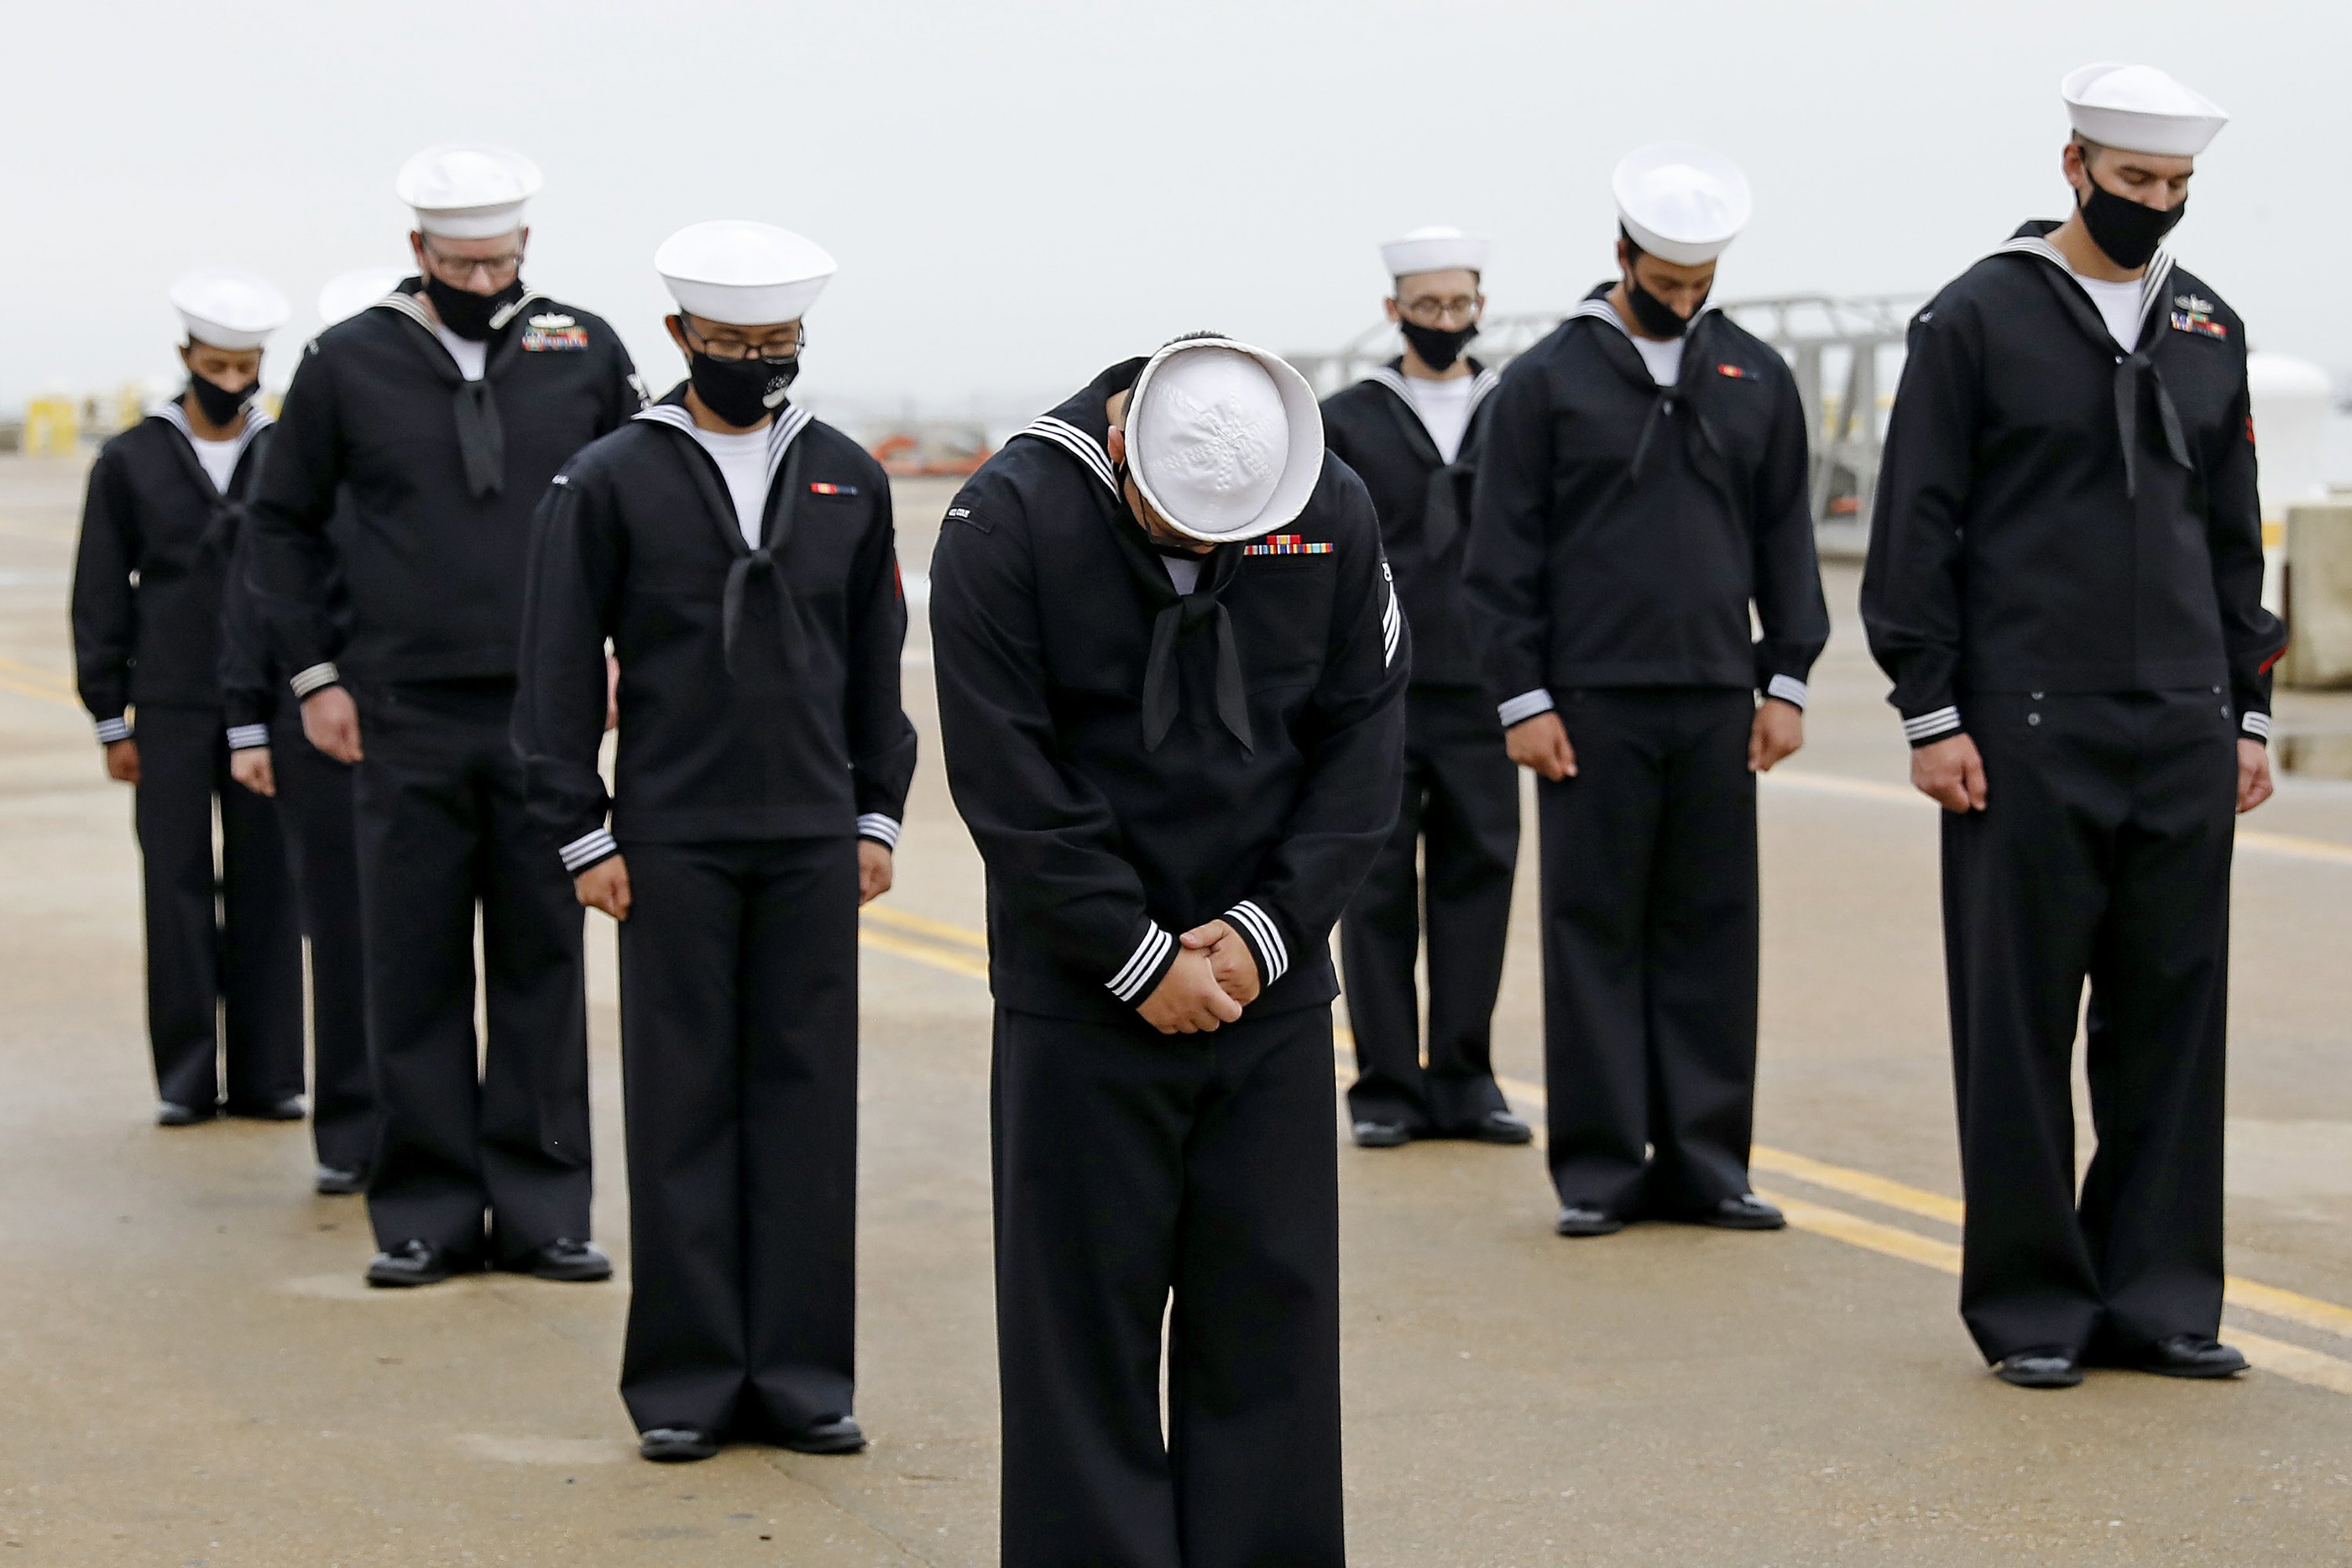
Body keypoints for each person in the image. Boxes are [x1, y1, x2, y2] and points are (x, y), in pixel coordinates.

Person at [931, 335, 1407, 1568]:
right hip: (1083, 990)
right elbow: (1008, 774)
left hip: (1271, 983)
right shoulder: (1007, 516)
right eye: (1171, 527)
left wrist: (1264, 937)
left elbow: (1362, 744)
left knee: (1272, 1318)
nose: (1197, 556)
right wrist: (1138, 957)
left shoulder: (1326, 502)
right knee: (1080, 1334)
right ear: (1127, 445)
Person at [1860, 64, 2282, 1390]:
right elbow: (1914, 527)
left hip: (2182, 727)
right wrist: (1932, 712)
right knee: (2020, 1022)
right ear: (2074, 168)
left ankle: (2158, 1298)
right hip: (2023, 728)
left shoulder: (2211, 329)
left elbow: (2231, 542)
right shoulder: (1976, 318)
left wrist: (2251, 710)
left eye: (2176, 188)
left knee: (2173, 1018)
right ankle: (2036, 1307)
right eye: (2135, 182)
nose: (2156, 205)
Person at [514, 220, 914, 1464]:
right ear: (681, 339)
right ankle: (685, 1384)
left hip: (809, 837)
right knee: (683, 1110)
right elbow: (557, 668)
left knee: (808, 1110)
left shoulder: (848, 471)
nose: (757, 361)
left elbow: (876, 659)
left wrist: (876, 810)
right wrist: (581, 832)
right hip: (671, 839)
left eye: (777, 342)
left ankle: (802, 1379)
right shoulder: (609, 478)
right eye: (733, 343)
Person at [245, 145, 644, 1287]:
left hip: (546, 711)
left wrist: (623, 652)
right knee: (409, 963)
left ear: (528, 248)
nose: (484, 279)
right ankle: (419, 1212)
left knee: (542, 962)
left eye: (502, 259)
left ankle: (545, 1209)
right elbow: (280, 525)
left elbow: (643, 508)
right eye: (461, 261)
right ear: (416, 252)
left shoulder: (583, 348)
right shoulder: (347, 361)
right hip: (400, 710)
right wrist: (315, 675)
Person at [1465, 143, 1828, 1239]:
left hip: (1718, 698)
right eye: (1665, 284)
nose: (1683, 303)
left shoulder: (1756, 376)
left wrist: (1788, 675)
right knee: (1595, 934)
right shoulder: (1544, 383)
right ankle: (1601, 1170)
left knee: (1714, 933)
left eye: (1700, 285)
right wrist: (1521, 698)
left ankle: (1711, 1163)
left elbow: (1785, 539)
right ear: (1621, 257)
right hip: (1590, 706)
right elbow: (1501, 554)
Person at [71, 269, 305, 1127]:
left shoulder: (284, 452)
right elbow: (100, 591)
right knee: (173, 886)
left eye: (247, 367)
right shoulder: (131, 457)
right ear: (185, 358)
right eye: (217, 364)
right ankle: (184, 1077)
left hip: (269, 707)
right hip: (167, 705)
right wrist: (109, 712)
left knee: (269, 886)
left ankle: (271, 1074)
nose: (232, 382)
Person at [1325, 226, 1530, 1149]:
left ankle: (1467, 1074)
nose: (1446, 320)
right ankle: (1384, 1082)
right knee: (1373, 887)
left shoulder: (1516, 404)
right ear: (1394, 310)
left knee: (1477, 880)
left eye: (1460, 304)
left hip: (1487, 688)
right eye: (1429, 306)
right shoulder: (1349, 418)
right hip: (1380, 693)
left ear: (1481, 305)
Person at [220, 267, 405, 1195]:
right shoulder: (289, 453)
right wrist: (249, 721)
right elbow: (253, 599)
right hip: (317, 713)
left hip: (426, 716)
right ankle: (353, 1133)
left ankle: (432, 1130)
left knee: (429, 940)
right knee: (341, 932)